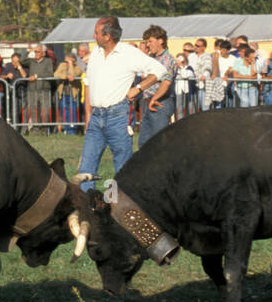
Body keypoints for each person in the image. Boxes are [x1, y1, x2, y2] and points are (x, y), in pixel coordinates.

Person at [76, 16, 160, 192]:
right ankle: (86, 208)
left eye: (97, 33)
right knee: (86, 167)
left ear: (108, 36)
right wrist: (88, 115)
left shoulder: (128, 53)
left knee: (122, 167)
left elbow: (159, 70)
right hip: (96, 117)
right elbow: (88, 84)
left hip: (118, 117)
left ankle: (117, 206)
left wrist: (138, 88)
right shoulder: (95, 55)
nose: (94, 36)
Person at [137, 25, 176, 145]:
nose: (147, 45)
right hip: (149, 102)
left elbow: (166, 83)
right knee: (143, 144)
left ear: (161, 41)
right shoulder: (151, 58)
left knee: (159, 144)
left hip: (160, 103)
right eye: (146, 42)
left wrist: (154, 99)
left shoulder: (168, 59)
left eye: (150, 41)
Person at [26, 44, 56, 132]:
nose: (36, 53)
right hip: (33, 89)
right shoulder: (32, 61)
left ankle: (44, 129)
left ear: (43, 53)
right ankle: (35, 129)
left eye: (38, 52)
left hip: (44, 90)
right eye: (35, 52)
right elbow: (21, 60)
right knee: (34, 110)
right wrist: (29, 51)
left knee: (45, 111)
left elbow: (50, 74)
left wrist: (37, 76)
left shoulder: (48, 61)